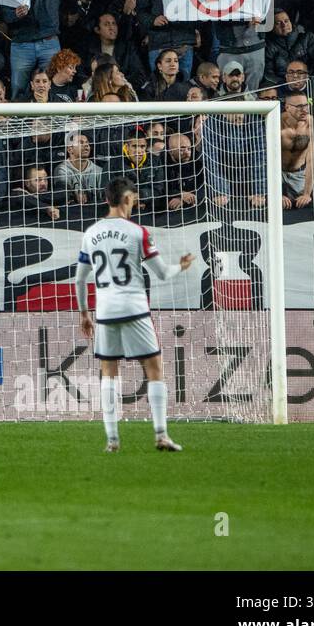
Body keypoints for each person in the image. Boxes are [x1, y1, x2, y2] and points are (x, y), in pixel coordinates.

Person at [74, 177, 194, 453]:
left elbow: (80, 280)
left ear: (106, 200)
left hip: (104, 310)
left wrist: (84, 313)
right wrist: (182, 266)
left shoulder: (91, 233)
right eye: (134, 199)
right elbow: (162, 273)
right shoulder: (137, 232)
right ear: (127, 199)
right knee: (154, 369)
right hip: (135, 308)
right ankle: (161, 435)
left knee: (108, 372)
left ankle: (112, 441)